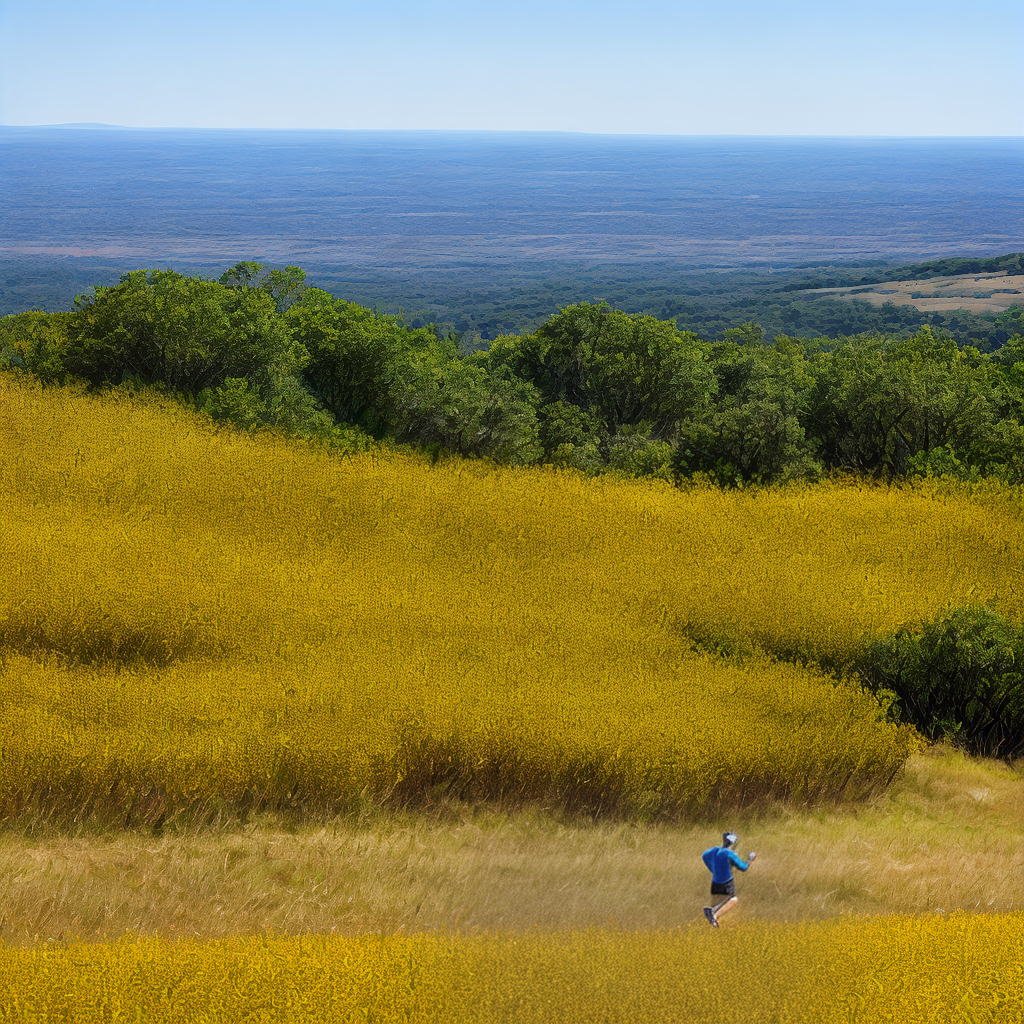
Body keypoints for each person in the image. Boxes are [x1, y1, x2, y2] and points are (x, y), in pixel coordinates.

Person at [701, 831, 755, 927]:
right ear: (733, 843)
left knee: (720, 904)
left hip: (715, 883)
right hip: (726, 883)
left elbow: (704, 856)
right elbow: (743, 867)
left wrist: (712, 868)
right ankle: (713, 913)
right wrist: (750, 860)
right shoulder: (730, 854)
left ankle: (713, 919)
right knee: (733, 900)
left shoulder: (714, 850)